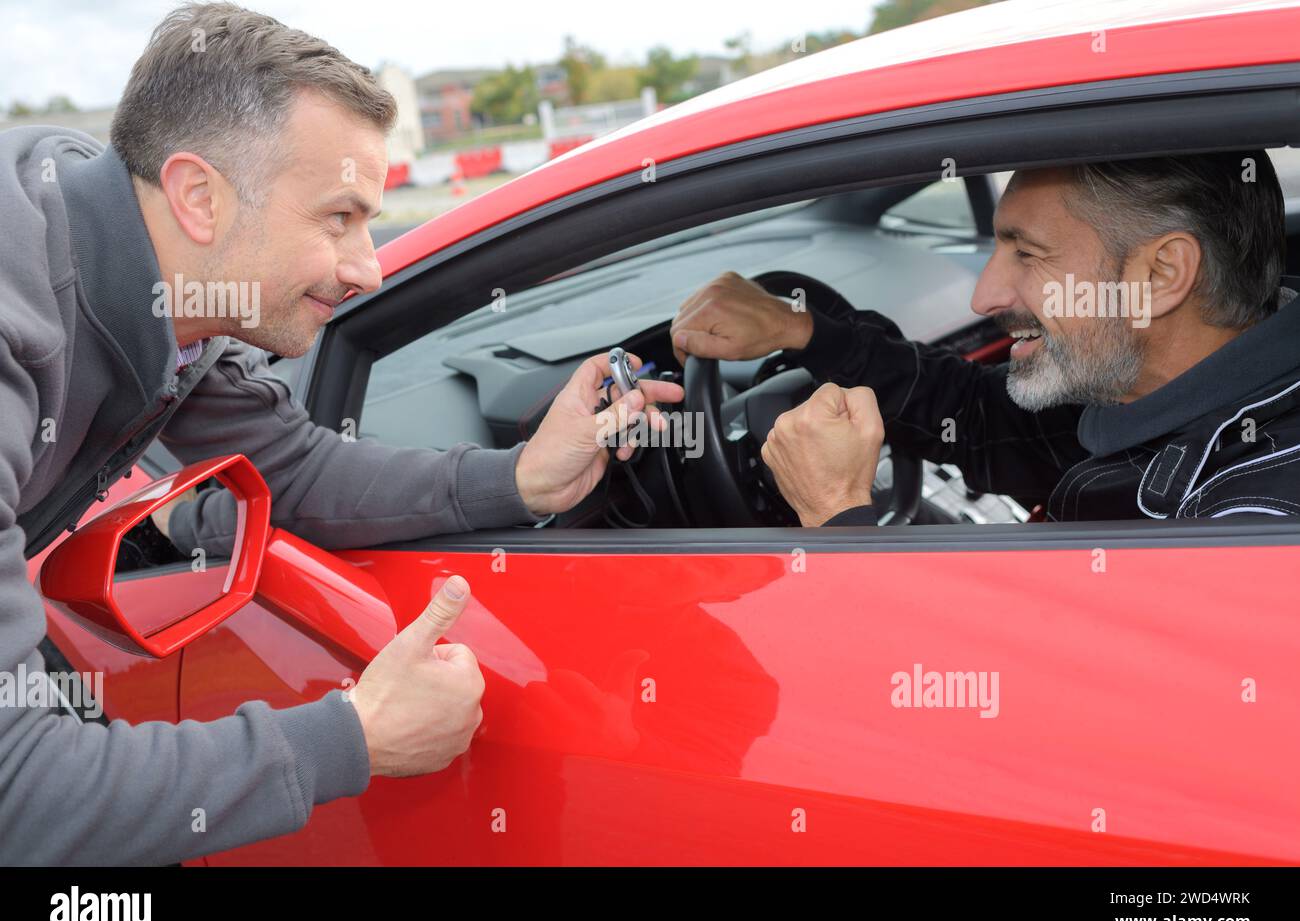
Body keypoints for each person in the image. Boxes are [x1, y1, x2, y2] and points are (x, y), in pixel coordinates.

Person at [0, 2, 680, 864]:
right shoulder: (21, 316)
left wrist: (522, 480)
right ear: (198, 197)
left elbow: (293, 471)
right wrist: (352, 736)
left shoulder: (173, 275)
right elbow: (16, 790)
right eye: (339, 219)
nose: (372, 266)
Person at [671, 152, 1299, 526]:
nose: (985, 296)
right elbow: (972, 417)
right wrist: (800, 329)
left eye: (1027, 253)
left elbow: (1021, 736)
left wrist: (838, 515)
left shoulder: (1252, 515)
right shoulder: (1141, 389)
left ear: (1161, 275)